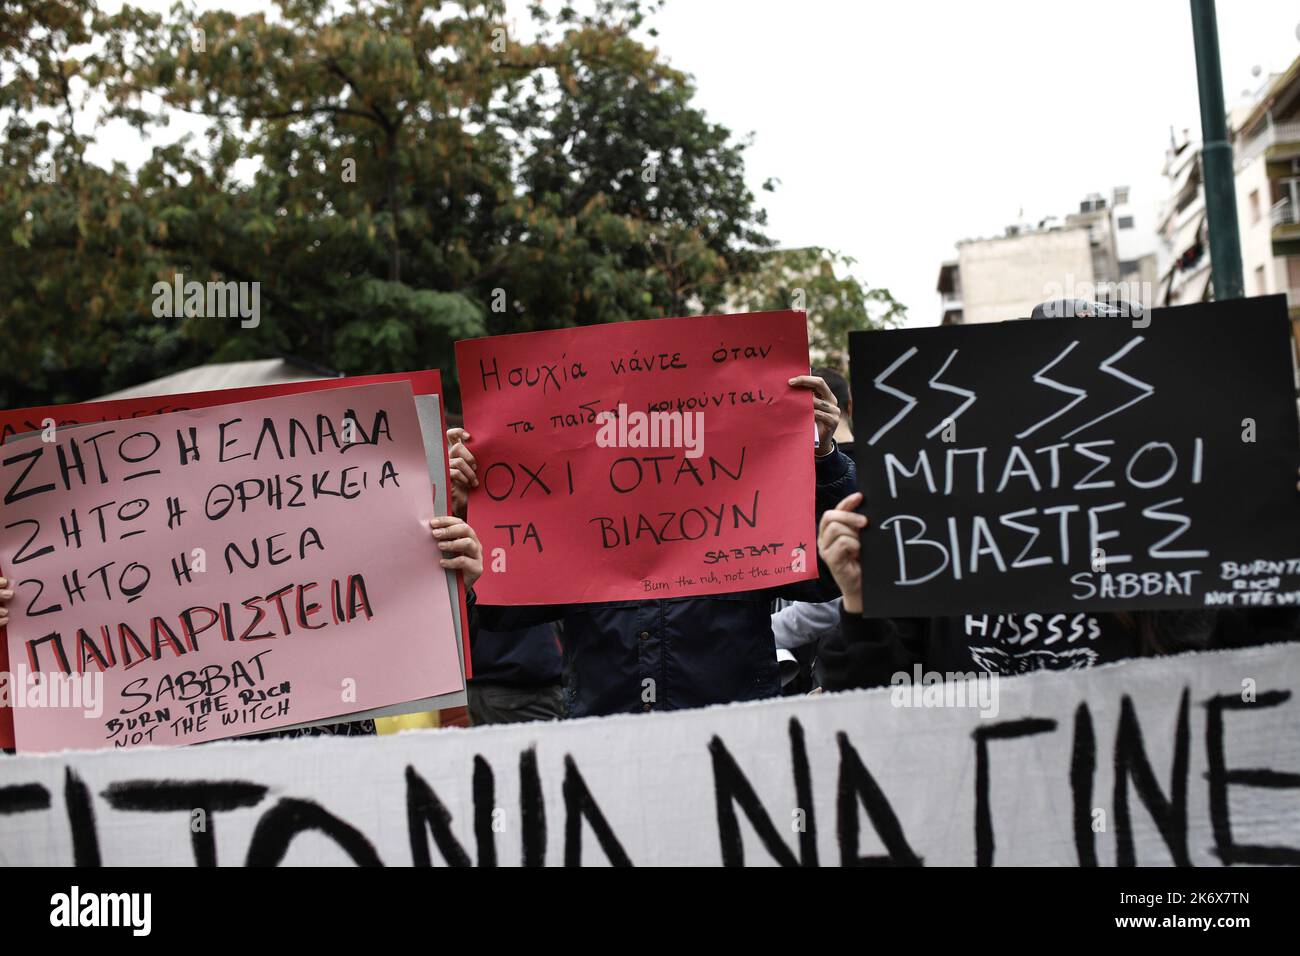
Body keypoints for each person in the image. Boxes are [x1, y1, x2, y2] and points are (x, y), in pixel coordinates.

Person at [448, 375, 857, 718]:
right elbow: (496, 611)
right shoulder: (578, 529)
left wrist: (821, 456)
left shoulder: (741, 517)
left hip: (735, 741)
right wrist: (473, 510)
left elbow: (826, 579)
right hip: (609, 742)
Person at [0, 514, 486, 742]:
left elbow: (430, 658)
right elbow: (61, 704)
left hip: (335, 791)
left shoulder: (337, 605)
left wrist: (454, 586)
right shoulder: (167, 667)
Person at [814, 480, 1300, 690]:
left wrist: (1272, 554)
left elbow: (1260, 668)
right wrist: (859, 600)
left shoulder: (1165, 546)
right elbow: (869, 704)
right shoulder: (942, 549)